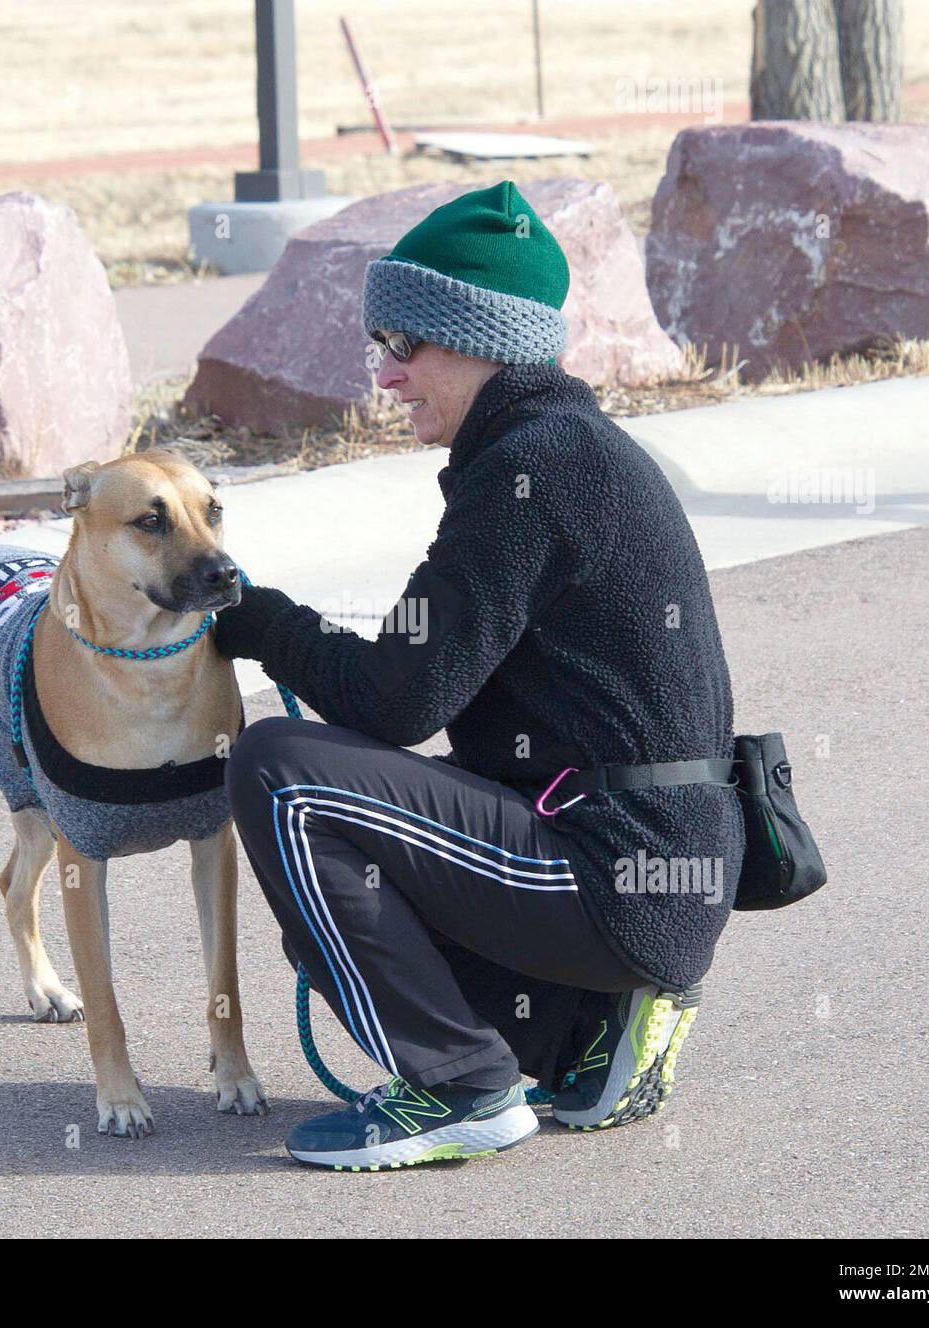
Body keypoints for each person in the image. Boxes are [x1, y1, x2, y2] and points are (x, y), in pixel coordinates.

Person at [214, 181, 744, 1172]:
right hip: (649, 866)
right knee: (328, 910)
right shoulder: (562, 449)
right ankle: (581, 1032)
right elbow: (423, 670)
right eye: (381, 346)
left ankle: (463, 1089)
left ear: (478, 341)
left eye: (403, 345)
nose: (384, 375)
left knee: (283, 777)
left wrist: (262, 622)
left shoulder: (526, 474)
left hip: (611, 868)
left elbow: (397, 700)